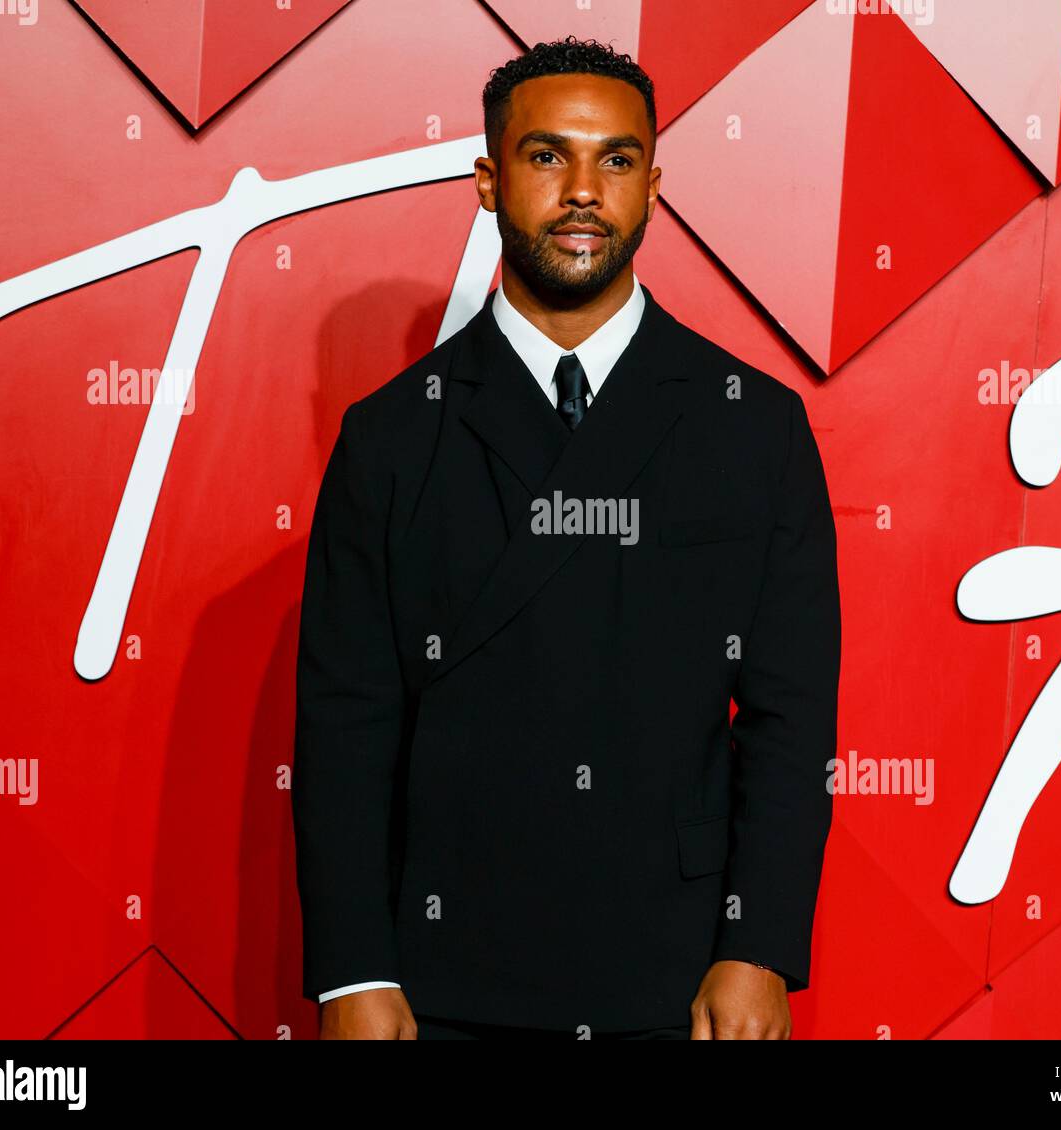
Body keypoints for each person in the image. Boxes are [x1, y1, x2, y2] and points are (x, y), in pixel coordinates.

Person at [293, 35, 841, 1040]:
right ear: (488, 179)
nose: (583, 190)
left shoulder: (752, 423)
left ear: (654, 184)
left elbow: (790, 720)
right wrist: (351, 971)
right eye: (548, 156)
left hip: (678, 976)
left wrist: (757, 944)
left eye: (616, 160)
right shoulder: (391, 434)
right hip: (444, 972)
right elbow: (345, 724)